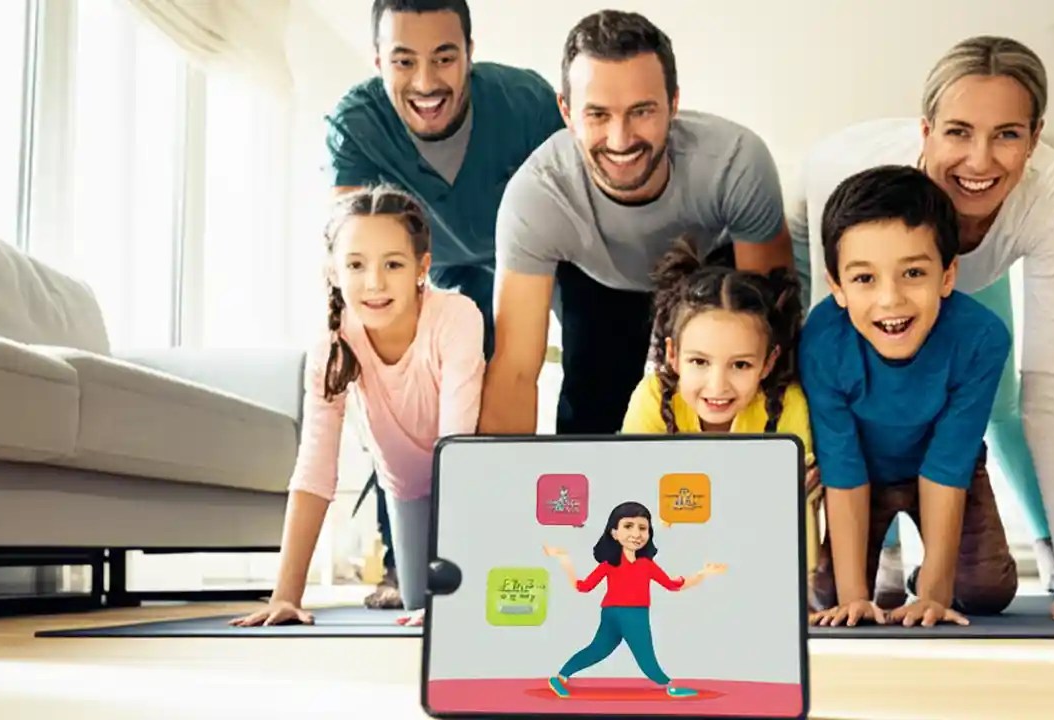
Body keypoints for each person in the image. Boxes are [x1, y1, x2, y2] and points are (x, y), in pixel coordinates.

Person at [794, 35, 1054, 624]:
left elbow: (1050, 384)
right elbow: (838, 345)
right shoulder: (846, 178)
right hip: (832, 241)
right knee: (851, 372)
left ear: (1034, 138)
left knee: (999, 399)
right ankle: (881, 558)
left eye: (1007, 134)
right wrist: (851, 588)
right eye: (959, 131)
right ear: (926, 131)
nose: (981, 160)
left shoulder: (1050, 200)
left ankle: (948, 563)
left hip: (951, 299)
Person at [324, 0, 562, 607]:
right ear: (378, 61)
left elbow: (574, 205)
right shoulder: (355, 122)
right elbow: (350, 246)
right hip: (433, 261)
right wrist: (343, 345)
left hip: (535, 252)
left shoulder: (527, 102)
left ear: (470, 55)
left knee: (588, 362)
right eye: (404, 61)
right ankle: (403, 559)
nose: (427, 83)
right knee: (396, 377)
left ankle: (564, 542)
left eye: (444, 58)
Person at [478, 9, 795, 437]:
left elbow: (773, 324)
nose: (621, 139)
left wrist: (788, 446)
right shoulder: (536, 197)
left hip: (712, 270)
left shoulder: (737, 164)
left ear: (674, 104)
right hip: (599, 281)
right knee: (593, 416)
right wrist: (500, 489)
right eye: (597, 115)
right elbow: (514, 371)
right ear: (567, 112)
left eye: (642, 111)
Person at [231, 186, 485, 629]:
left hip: (469, 485)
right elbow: (314, 470)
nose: (374, 283)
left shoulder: (457, 317)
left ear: (422, 268)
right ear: (333, 271)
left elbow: (457, 450)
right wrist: (284, 597)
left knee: (461, 603)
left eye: (393, 264)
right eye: (355, 265)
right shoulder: (331, 347)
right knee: (414, 598)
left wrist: (449, 597)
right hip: (405, 488)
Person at [802, 165, 1019, 628]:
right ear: (836, 286)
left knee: (985, 591)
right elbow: (842, 466)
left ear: (947, 275)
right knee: (829, 595)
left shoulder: (982, 338)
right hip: (865, 471)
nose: (890, 300)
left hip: (945, 468)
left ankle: (924, 572)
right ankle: (882, 569)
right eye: (864, 279)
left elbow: (949, 462)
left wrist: (935, 594)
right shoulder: (821, 340)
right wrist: (854, 599)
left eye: (914, 272)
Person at [620, 238, 824, 593]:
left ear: (768, 363)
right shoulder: (654, 397)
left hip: (769, 568)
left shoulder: (786, 404)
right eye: (699, 362)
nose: (718, 386)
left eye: (741, 364)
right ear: (673, 354)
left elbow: (792, 502)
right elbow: (633, 489)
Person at [542, 501, 727, 698]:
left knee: (599, 649)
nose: (637, 534)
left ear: (649, 533)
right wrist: (564, 560)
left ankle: (561, 676)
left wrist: (703, 573)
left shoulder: (643, 564)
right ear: (614, 532)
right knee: (643, 654)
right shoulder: (615, 564)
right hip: (631, 614)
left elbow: (673, 585)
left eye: (643, 528)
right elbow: (584, 586)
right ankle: (668, 685)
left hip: (616, 612)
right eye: (628, 526)